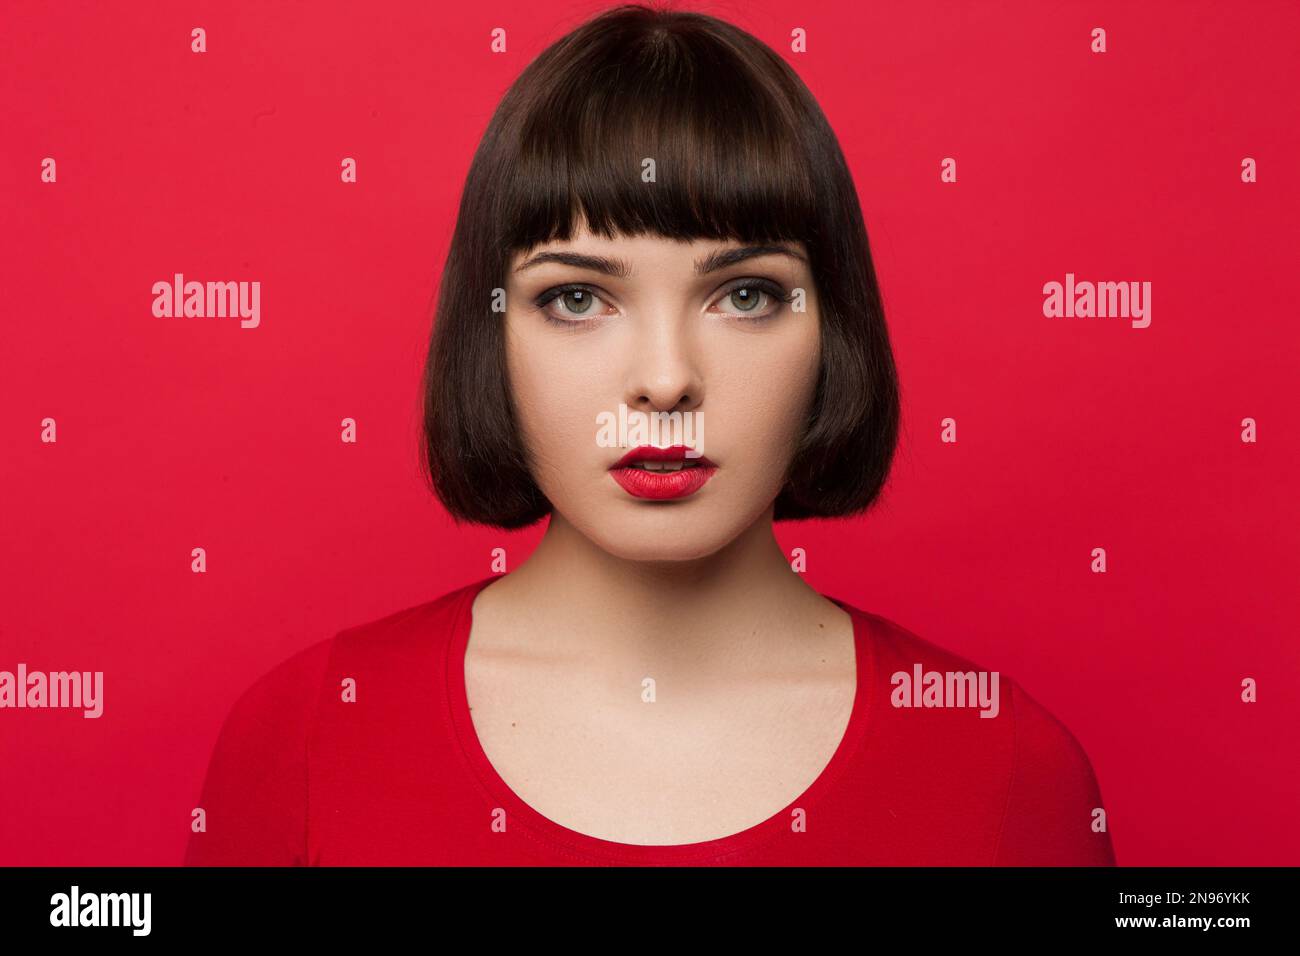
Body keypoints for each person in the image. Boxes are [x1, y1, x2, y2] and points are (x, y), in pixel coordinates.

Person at [185, 2, 1115, 866]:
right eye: (578, 298)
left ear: (835, 329)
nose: (666, 377)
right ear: (491, 331)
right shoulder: (306, 738)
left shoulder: (1004, 767)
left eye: (745, 295)